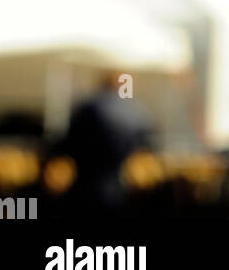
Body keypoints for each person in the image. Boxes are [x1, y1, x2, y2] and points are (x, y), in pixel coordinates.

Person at [56, 72, 156, 217]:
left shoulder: (88, 108)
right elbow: (146, 151)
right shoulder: (137, 113)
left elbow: (66, 145)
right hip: (119, 190)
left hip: (83, 187)